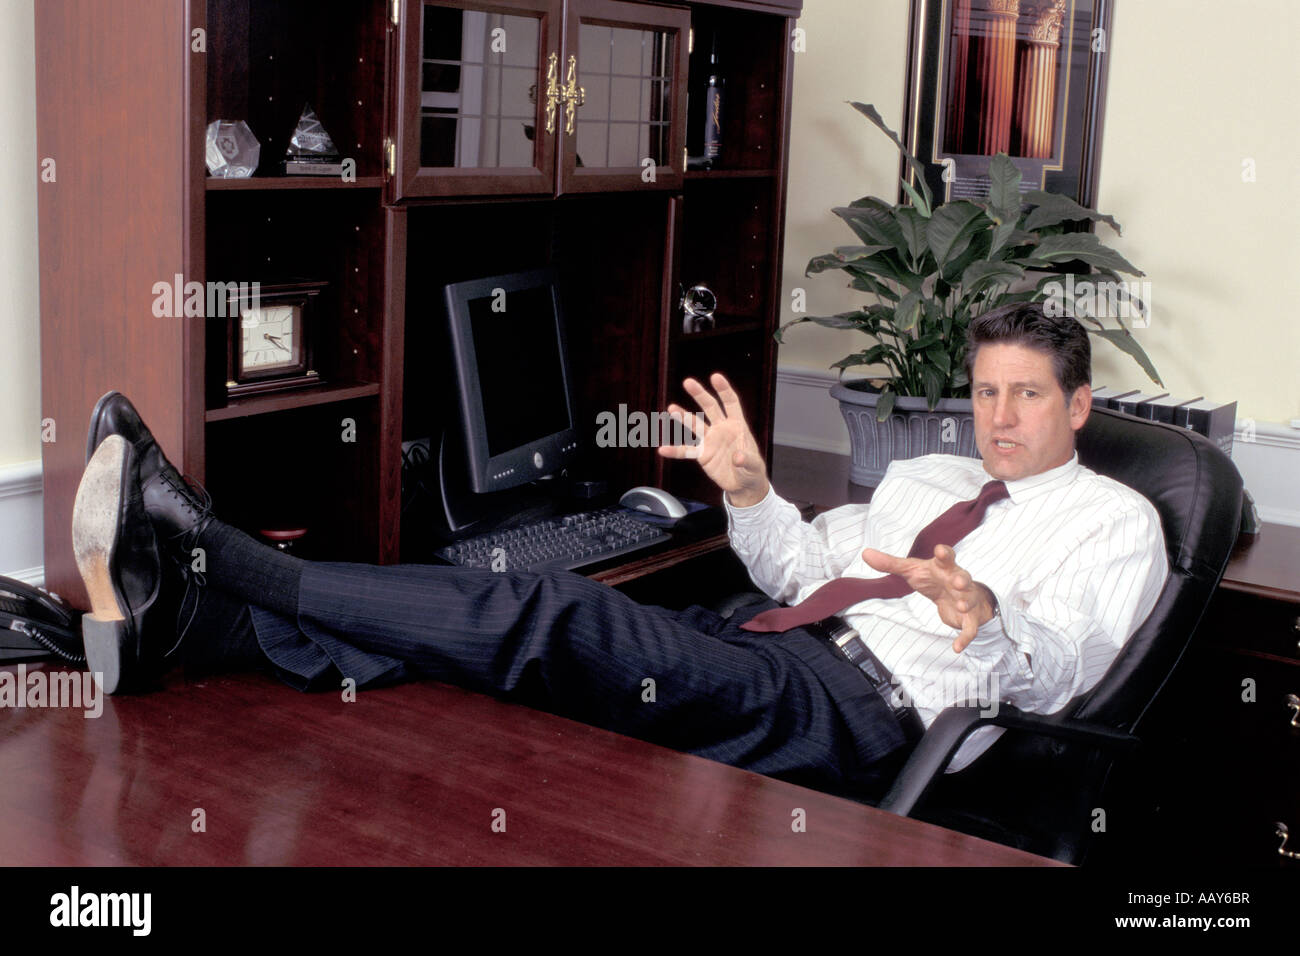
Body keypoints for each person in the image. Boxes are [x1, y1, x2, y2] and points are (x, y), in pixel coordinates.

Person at [70, 302, 1167, 796]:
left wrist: (988, 613)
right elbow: (796, 571)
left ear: (1077, 405)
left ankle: (215, 554)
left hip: (859, 711)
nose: (1001, 415)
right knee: (486, 667)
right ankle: (201, 623)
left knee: (552, 614)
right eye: (985, 391)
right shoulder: (926, 478)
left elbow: (1082, 673)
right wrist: (747, 493)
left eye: (1027, 395)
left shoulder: (1117, 522)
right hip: (767, 645)